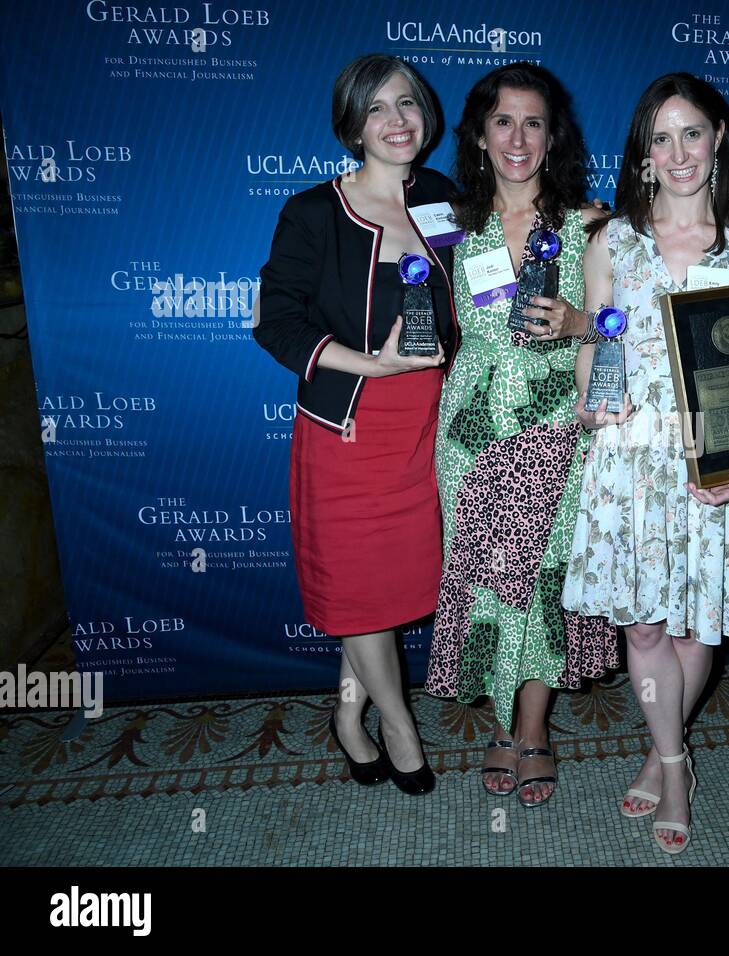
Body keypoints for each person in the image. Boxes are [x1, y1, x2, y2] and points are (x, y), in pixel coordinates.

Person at [563, 73, 729, 853]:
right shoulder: (611, 241)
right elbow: (596, 345)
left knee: (700, 627)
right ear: (643, 153)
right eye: (661, 136)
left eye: (692, 132)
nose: (678, 151)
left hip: (713, 467)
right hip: (631, 465)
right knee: (648, 625)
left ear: (719, 138)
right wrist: (594, 400)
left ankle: (661, 750)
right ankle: (675, 761)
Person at [254, 53, 456, 796]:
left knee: (378, 592)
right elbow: (274, 322)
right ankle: (397, 727)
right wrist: (368, 365)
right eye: (377, 109)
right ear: (353, 124)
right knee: (360, 588)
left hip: (426, 431)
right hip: (349, 431)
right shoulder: (313, 212)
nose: (397, 121)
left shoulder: (442, 199)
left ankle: (346, 716)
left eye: (406, 104)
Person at [424, 63, 618, 808]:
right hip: (470, 433)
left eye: (533, 122)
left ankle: (528, 729)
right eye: (502, 121)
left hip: (554, 429)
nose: (517, 137)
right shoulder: (447, 226)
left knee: (540, 583)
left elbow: (624, 330)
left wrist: (580, 323)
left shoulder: (589, 222)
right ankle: (503, 717)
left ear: (552, 135)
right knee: (487, 582)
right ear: (478, 133)